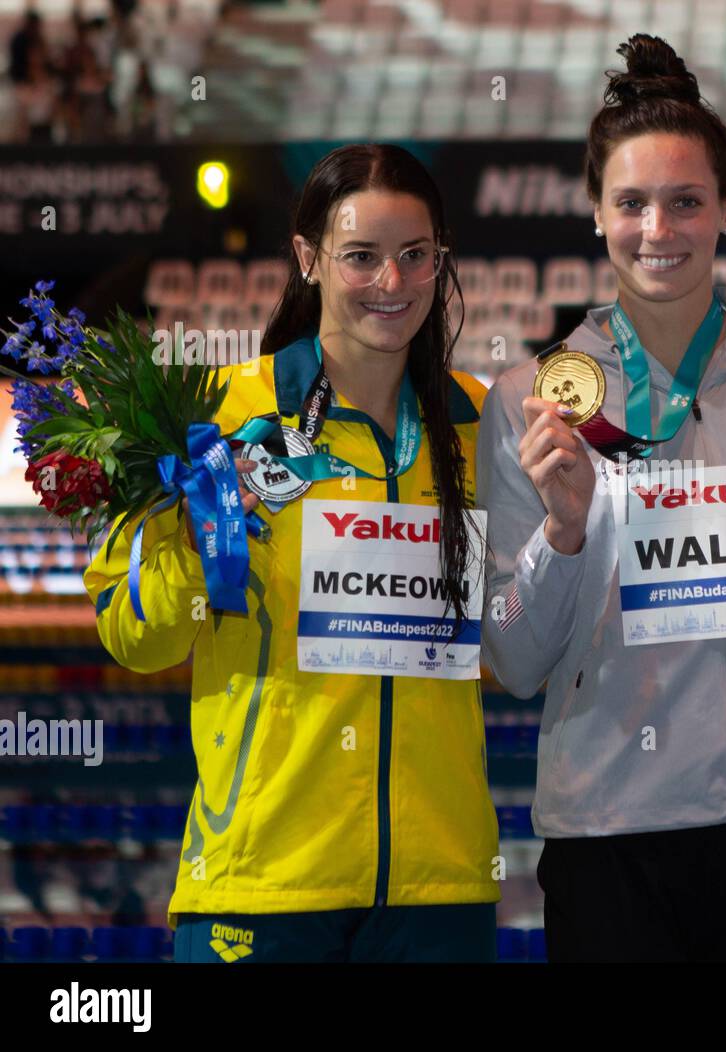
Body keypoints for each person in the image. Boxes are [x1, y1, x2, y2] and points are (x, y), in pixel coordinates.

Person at [478, 34, 726, 962]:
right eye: (632, 203)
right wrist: (564, 536)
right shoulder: (530, 401)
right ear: (596, 213)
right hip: (612, 828)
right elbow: (515, 658)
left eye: (687, 201)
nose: (659, 229)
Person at [84, 144, 501, 962]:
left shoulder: (482, 424)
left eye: (416, 256)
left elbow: (523, 633)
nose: (392, 282)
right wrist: (213, 535)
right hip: (261, 881)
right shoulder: (218, 417)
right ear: (308, 258)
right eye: (362, 257)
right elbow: (135, 635)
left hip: (441, 886)